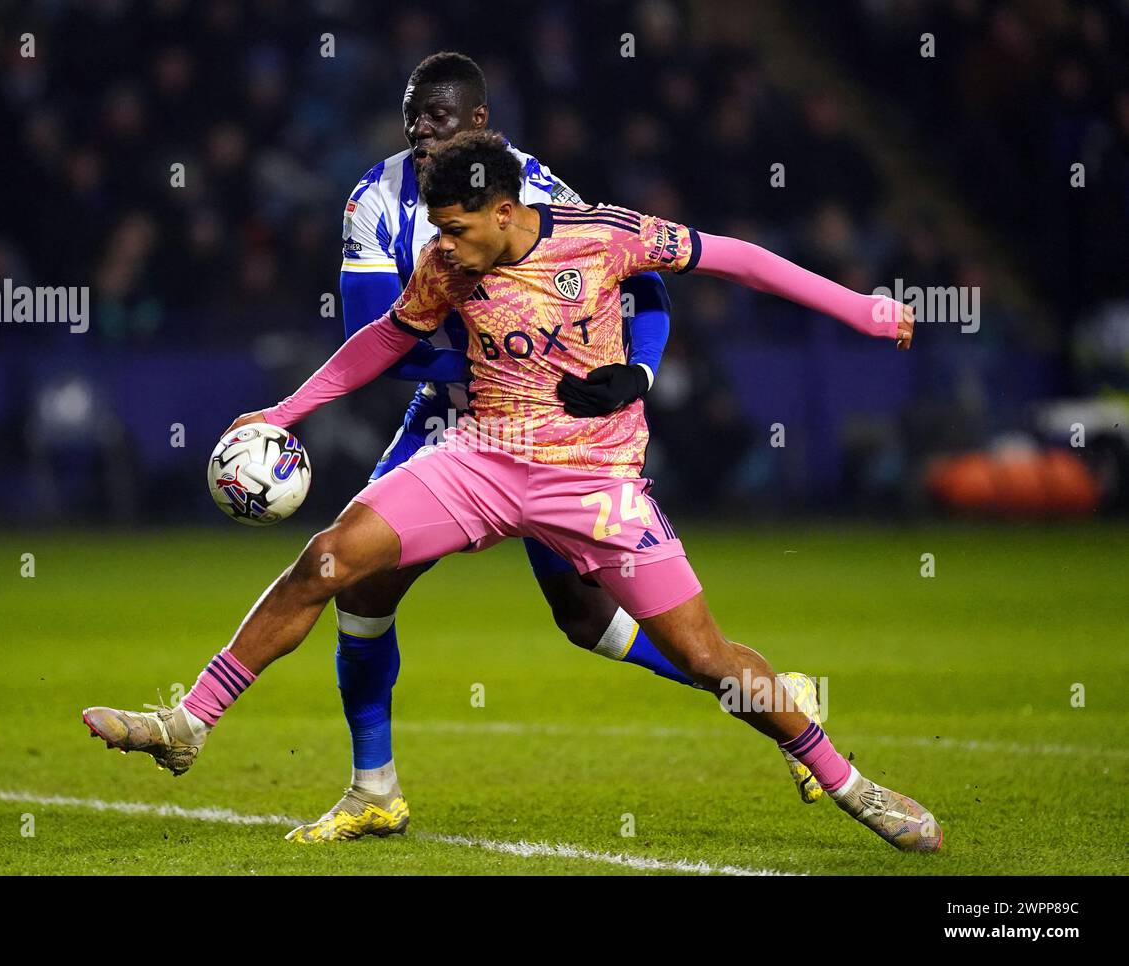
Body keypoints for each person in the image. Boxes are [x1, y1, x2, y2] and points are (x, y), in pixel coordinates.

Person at [84, 129, 938, 852]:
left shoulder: (602, 236)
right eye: (437, 229)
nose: (444, 245)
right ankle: (192, 722)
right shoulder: (444, 265)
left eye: (456, 228)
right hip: (482, 458)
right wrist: (287, 409)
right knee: (331, 559)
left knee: (705, 657)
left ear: (504, 209)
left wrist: (861, 311)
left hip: (594, 480)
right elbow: (383, 340)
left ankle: (851, 783)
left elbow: (739, 260)